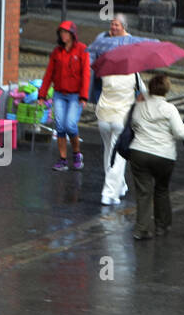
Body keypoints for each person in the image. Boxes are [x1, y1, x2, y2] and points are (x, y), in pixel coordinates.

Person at [128, 74, 184, 240]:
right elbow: (181, 133)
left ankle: (141, 228)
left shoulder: (139, 105)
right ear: (166, 90)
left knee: (143, 192)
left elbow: (133, 124)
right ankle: (162, 225)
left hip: (139, 152)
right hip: (163, 155)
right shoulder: (169, 109)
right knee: (161, 189)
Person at [92, 15, 145, 206]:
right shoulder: (133, 73)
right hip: (120, 119)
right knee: (119, 157)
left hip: (103, 117)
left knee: (108, 153)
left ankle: (120, 185)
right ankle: (109, 193)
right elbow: (145, 94)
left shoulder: (105, 71)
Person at [39, 21, 90, 171]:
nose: (63, 35)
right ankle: (62, 159)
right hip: (59, 94)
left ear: (73, 34)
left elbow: (86, 74)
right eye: (61, 32)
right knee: (60, 126)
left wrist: (84, 96)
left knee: (70, 125)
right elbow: (49, 74)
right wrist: (42, 95)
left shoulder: (82, 50)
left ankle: (76, 153)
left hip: (75, 95)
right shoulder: (56, 52)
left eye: (66, 32)